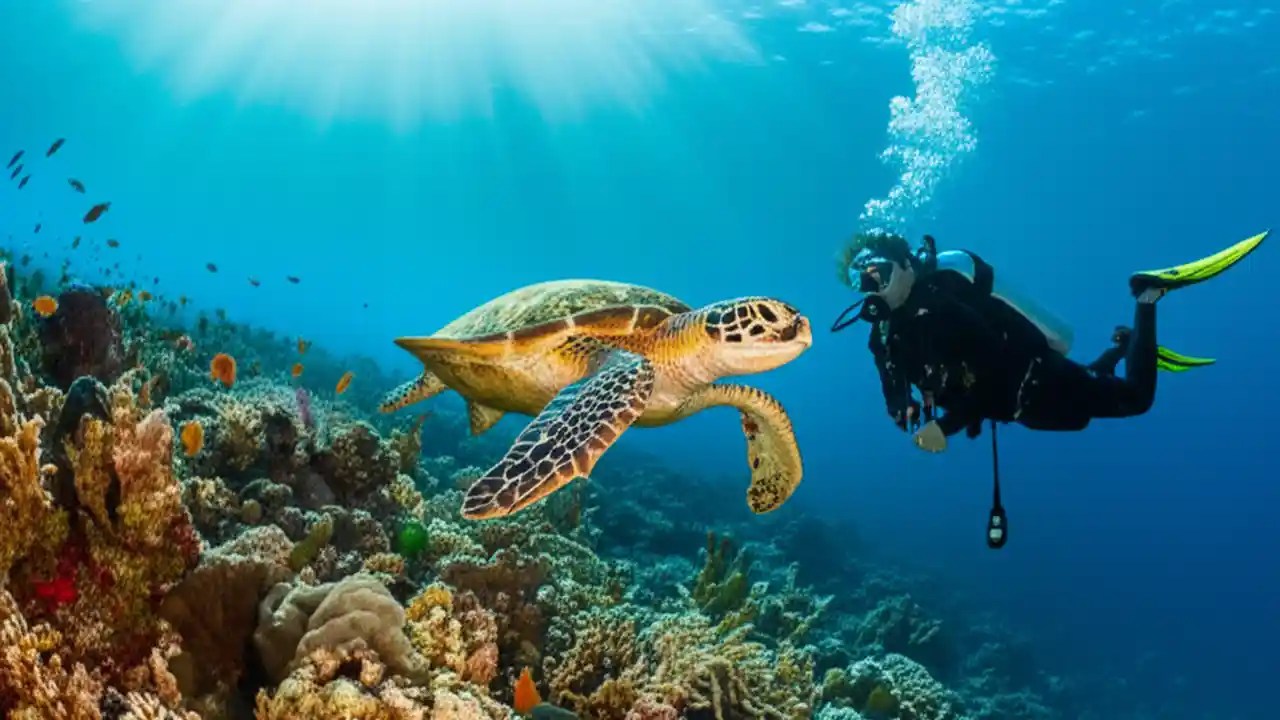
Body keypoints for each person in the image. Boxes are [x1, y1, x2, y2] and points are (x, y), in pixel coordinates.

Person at [831, 229, 1268, 546]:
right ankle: (1124, 345)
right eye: (861, 282)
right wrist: (900, 405)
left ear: (907, 266)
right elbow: (886, 368)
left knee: (1136, 399)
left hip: (1035, 379)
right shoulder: (887, 331)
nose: (871, 290)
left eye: (880, 275)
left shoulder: (945, 308)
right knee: (1087, 396)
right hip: (1025, 406)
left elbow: (991, 368)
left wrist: (946, 426)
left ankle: (1147, 296)